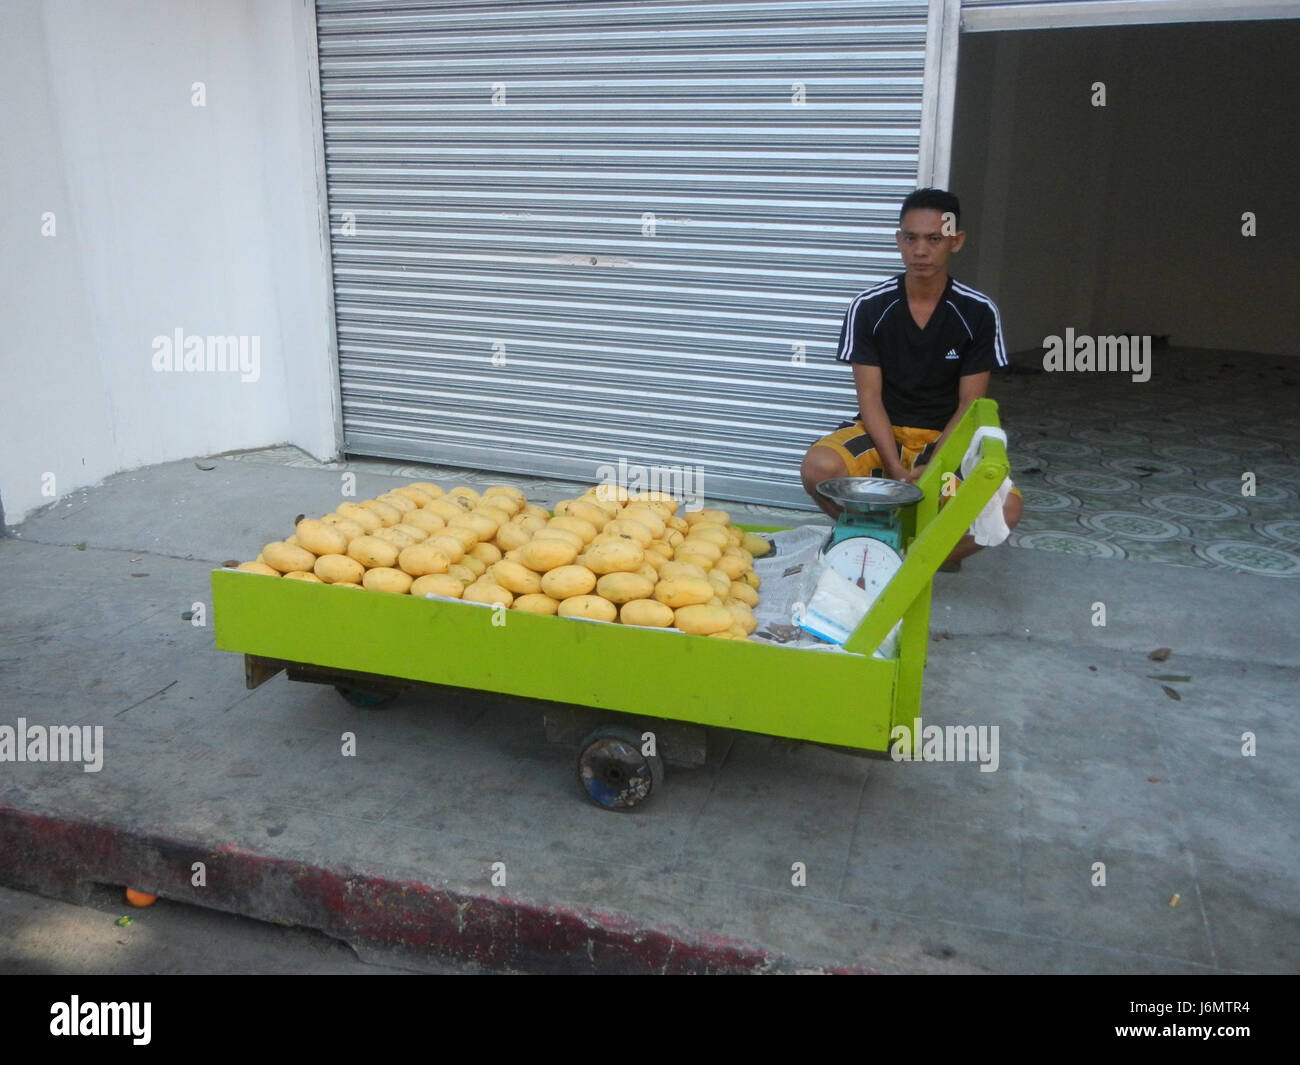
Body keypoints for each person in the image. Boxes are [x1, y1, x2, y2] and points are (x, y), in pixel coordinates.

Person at [799, 188, 1022, 567]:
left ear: (956, 241)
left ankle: (913, 563)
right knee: (817, 468)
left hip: (946, 441)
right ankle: (872, 539)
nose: (921, 250)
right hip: (882, 437)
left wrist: (933, 467)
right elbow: (869, 398)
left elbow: (971, 404)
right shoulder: (870, 307)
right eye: (911, 238)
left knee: (1005, 508)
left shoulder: (978, 312)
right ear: (899, 240)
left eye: (934, 239)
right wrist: (898, 469)